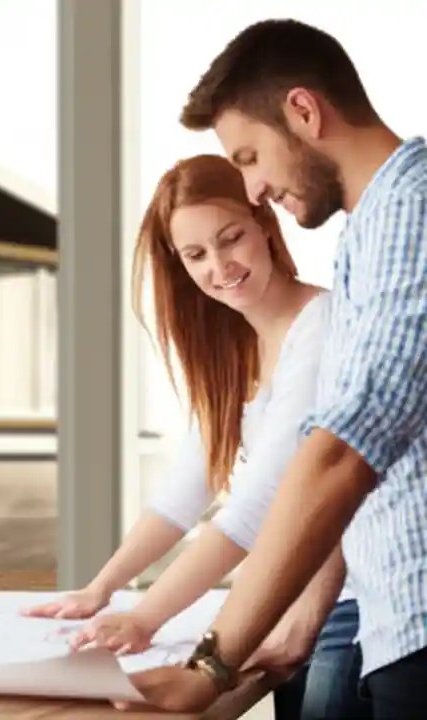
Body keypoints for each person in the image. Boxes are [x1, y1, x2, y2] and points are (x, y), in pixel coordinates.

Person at [120, 19, 427, 720]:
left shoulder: (413, 216)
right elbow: (372, 488)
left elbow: (341, 456)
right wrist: (302, 620)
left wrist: (211, 665)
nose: (253, 188)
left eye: (251, 156)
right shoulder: (370, 237)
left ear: (304, 111)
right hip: (397, 629)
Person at [20, 152, 364, 719]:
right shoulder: (236, 352)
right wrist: (100, 589)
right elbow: (185, 491)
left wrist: (146, 618)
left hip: (348, 605)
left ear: (264, 227)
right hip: (285, 601)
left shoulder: (321, 326)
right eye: (196, 255)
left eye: (231, 239)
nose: (220, 266)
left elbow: (258, 505)